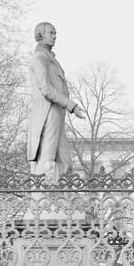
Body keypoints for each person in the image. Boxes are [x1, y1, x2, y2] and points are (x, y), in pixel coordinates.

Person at [27, 21, 83, 185]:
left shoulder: (51, 59)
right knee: (47, 156)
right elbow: (45, 88)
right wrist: (71, 105)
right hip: (48, 112)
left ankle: (66, 197)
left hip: (57, 111)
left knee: (65, 160)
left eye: (55, 33)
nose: (54, 36)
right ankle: (40, 197)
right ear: (40, 35)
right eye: (51, 33)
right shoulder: (39, 58)